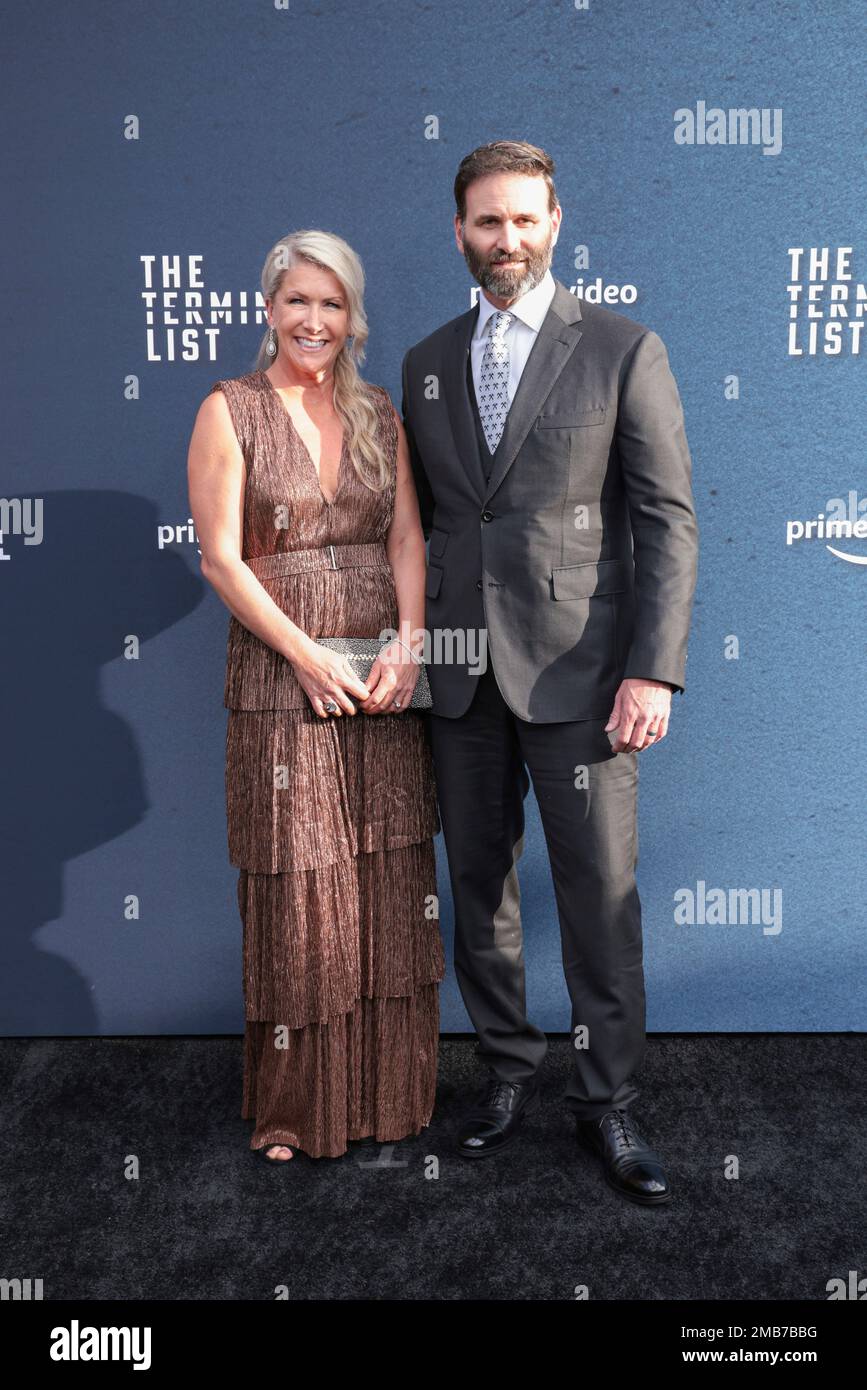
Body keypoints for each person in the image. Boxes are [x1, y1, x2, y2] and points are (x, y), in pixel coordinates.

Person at [401, 141, 699, 1204]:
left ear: (556, 223)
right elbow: (433, 523)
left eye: (524, 220)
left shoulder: (621, 348)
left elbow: (667, 520)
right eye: (487, 221)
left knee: (599, 899)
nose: (507, 240)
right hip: (462, 682)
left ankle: (607, 1103)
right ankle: (505, 1071)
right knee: (477, 889)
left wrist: (653, 672)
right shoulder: (427, 361)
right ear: (459, 232)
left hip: (583, 679)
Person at [188, 229, 444, 1163]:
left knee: (383, 882)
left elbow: (407, 538)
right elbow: (221, 558)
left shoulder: (379, 411)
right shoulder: (230, 410)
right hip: (279, 683)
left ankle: (389, 1095)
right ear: (268, 309)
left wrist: (410, 644)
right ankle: (297, 1112)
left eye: (331, 304)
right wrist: (301, 654)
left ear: (352, 317)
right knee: (301, 895)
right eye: (297, 300)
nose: (314, 320)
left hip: (379, 680)